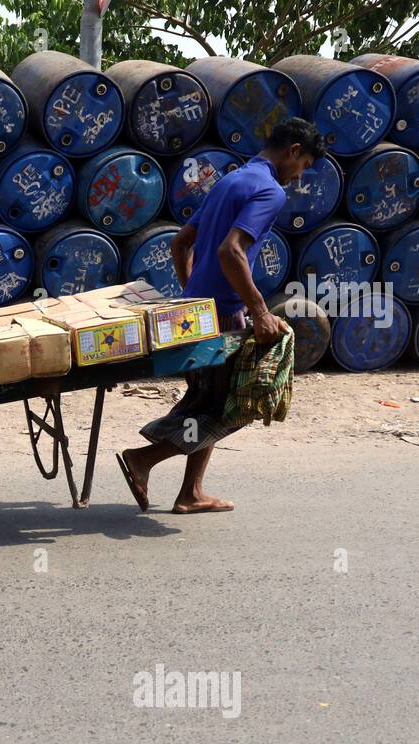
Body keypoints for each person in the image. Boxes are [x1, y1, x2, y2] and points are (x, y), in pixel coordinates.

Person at [116, 118, 325, 515]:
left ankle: (191, 492)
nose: (299, 177)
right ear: (294, 150)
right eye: (305, 166)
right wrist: (260, 311)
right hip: (224, 315)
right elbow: (231, 252)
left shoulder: (232, 180)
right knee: (231, 405)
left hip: (197, 312)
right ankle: (144, 458)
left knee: (209, 398)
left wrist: (193, 293)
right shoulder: (269, 191)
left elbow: (180, 244)